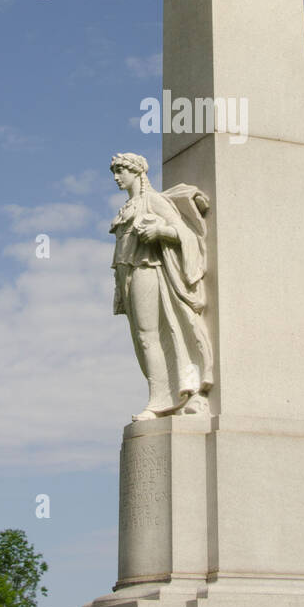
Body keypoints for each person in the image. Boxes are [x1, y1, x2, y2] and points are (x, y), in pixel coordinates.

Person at [109, 152, 213, 421]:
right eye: (115, 172)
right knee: (141, 338)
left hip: (147, 268)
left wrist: (160, 232)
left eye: (122, 171)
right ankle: (161, 394)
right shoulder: (127, 207)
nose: (117, 177)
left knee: (149, 334)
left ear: (137, 172)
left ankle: (161, 399)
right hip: (127, 273)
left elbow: (185, 232)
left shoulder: (153, 200)